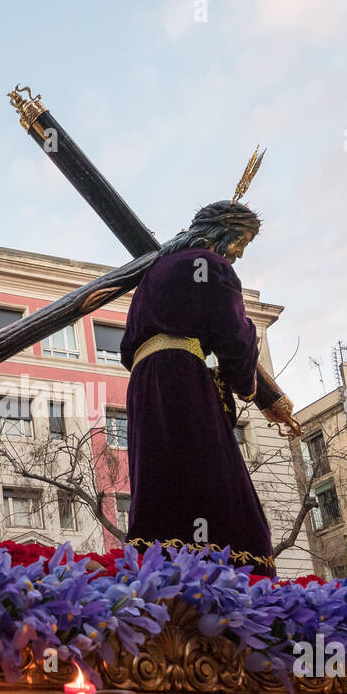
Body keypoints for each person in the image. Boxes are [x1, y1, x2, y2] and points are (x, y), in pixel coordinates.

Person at [120, 201, 293, 574]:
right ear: (224, 232)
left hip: (144, 384)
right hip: (182, 379)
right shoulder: (213, 266)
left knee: (161, 476)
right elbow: (233, 336)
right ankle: (228, 568)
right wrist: (254, 386)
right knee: (209, 474)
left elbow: (126, 346)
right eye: (242, 240)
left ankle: (159, 564)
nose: (240, 252)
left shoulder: (153, 272)